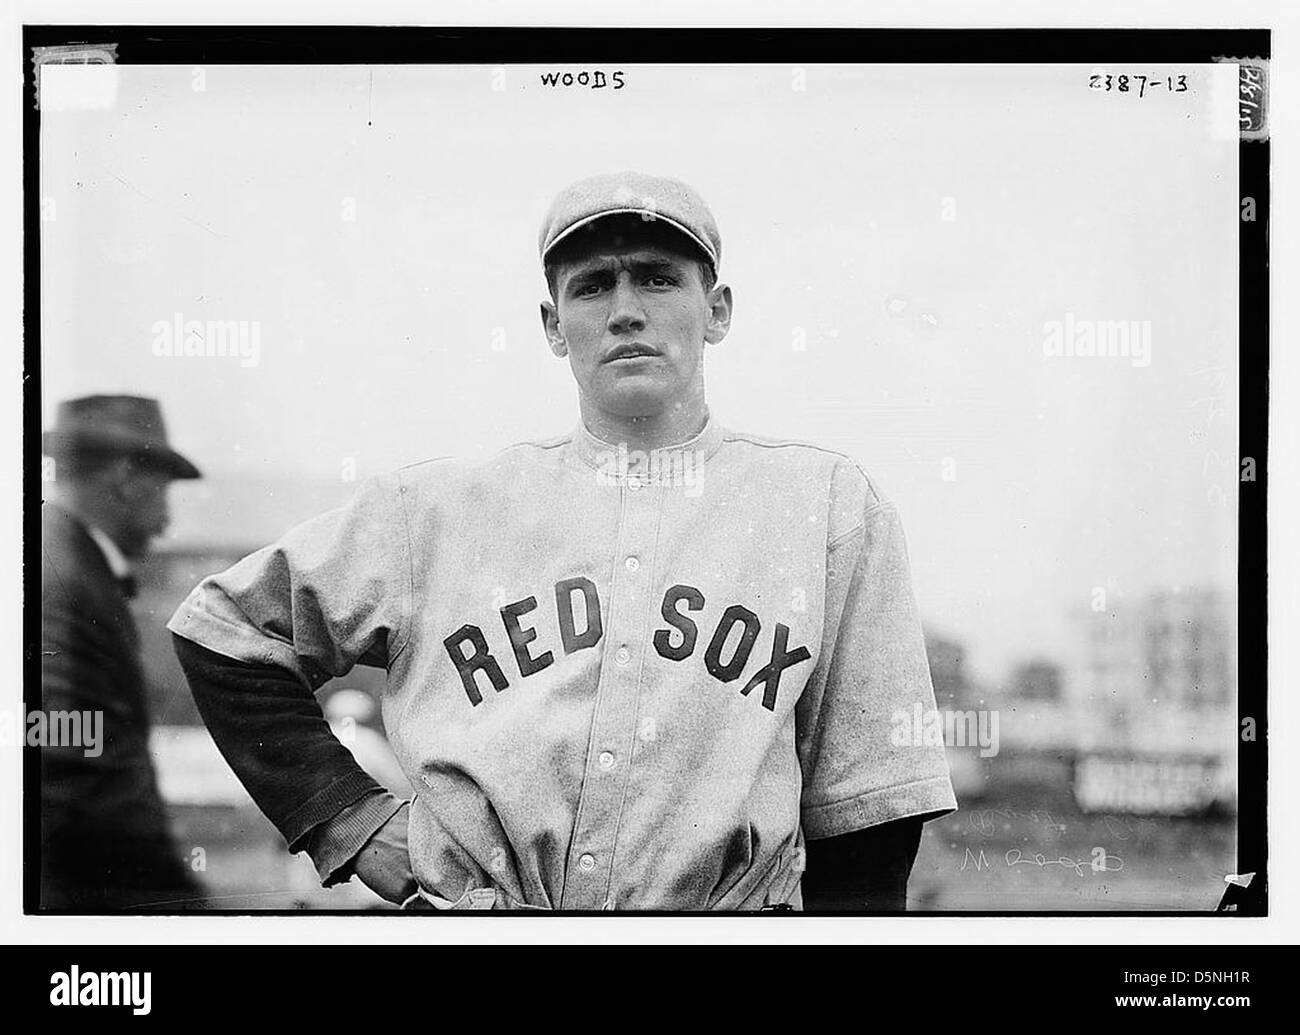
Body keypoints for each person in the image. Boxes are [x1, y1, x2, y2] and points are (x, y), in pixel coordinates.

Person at [169, 172, 957, 911]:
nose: (624, 309)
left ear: (717, 310)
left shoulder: (824, 506)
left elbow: (872, 802)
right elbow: (226, 627)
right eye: (592, 285)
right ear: (554, 325)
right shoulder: (439, 508)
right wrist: (343, 816)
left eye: (656, 276)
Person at [40, 394, 205, 910]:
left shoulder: (54, 559)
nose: (166, 520)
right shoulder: (68, 581)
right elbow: (72, 755)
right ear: (126, 480)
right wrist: (174, 905)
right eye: (161, 490)